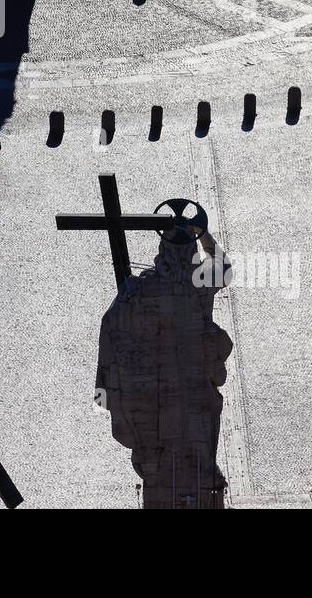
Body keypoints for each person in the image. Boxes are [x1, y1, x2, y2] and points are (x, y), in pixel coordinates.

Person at [97, 213, 232, 509]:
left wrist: (105, 389)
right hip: (195, 400)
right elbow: (224, 267)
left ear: (162, 253)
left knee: (157, 468)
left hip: (150, 403)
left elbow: (110, 331)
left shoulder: (137, 291)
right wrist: (204, 234)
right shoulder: (197, 285)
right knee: (199, 463)